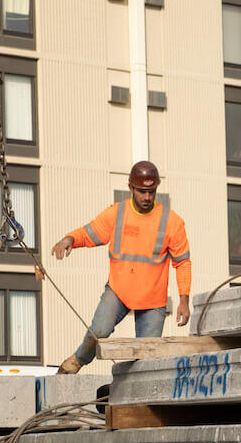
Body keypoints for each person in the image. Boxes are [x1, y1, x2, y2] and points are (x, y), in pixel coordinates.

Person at [52, 160, 192, 374]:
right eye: (142, 191)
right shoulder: (117, 214)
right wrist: (69, 239)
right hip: (119, 291)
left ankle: (134, 395)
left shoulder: (171, 221)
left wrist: (184, 299)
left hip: (153, 299)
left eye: (151, 192)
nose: (147, 197)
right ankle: (77, 361)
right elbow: (89, 233)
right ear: (131, 188)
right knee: (98, 331)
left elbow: (182, 262)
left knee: (147, 359)